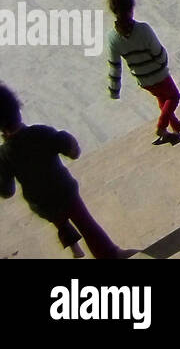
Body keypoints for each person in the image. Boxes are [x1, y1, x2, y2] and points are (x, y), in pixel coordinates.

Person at [0, 83, 125, 258]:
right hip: (64, 191)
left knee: (58, 219)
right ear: (17, 110)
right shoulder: (41, 133)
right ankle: (110, 254)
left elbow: (7, 191)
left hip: (42, 203)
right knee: (85, 223)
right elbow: (72, 151)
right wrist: (66, 139)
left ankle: (74, 248)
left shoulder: (4, 155)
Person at [105, 0, 180, 145]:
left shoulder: (112, 38)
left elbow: (115, 67)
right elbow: (158, 53)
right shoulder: (143, 29)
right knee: (173, 97)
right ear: (132, 6)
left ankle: (176, 126)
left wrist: (114, 90)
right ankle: (161, 127)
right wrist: (163, 63)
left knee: (162, 99)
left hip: (143, 80)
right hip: (159, 74)